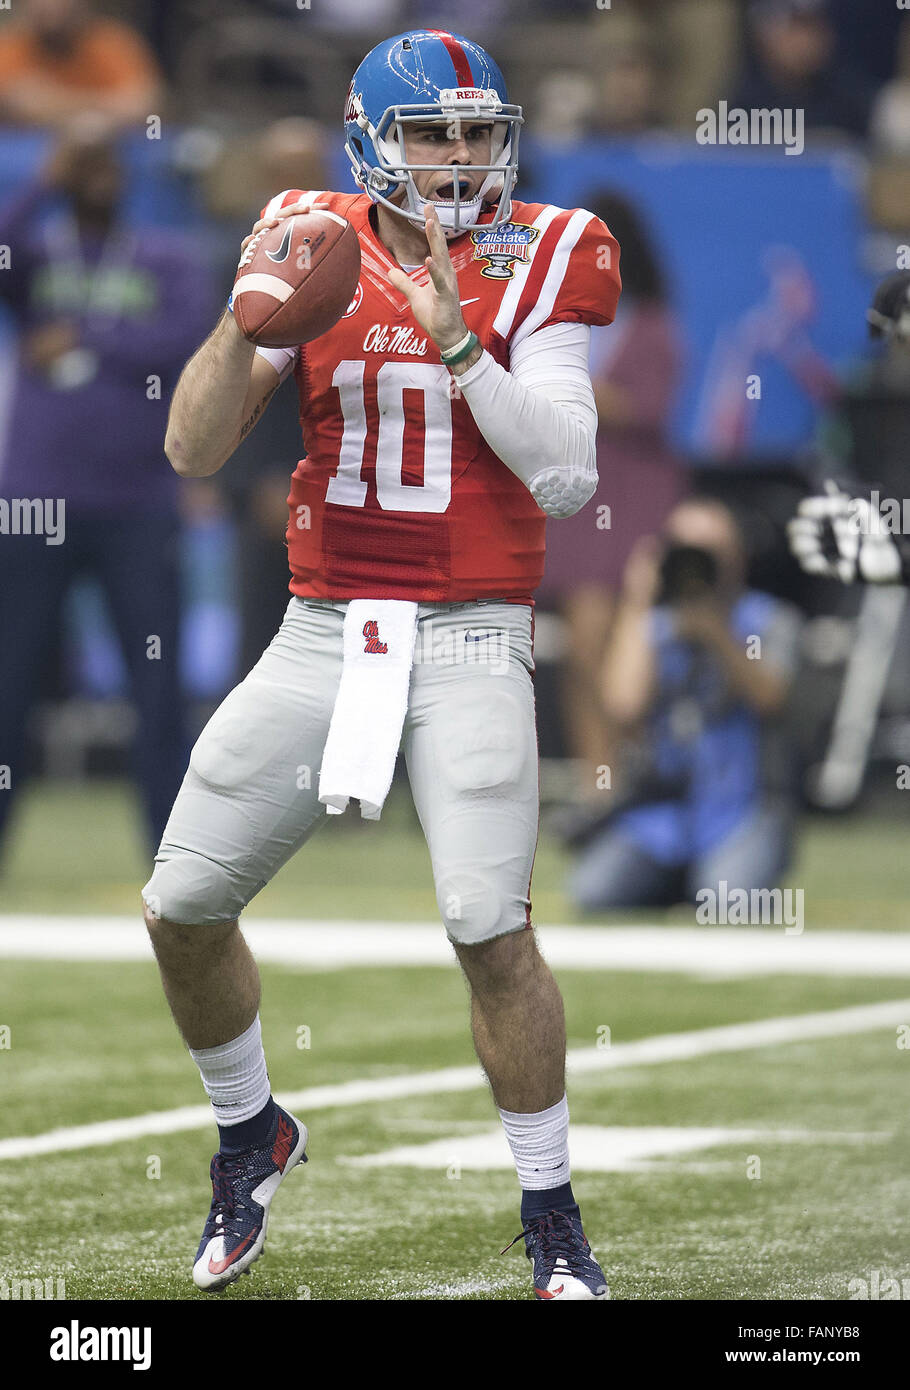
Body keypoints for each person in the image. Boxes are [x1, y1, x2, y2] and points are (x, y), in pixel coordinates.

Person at [141, 28, 621, 1300]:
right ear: (371, 142)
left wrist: (463, 348)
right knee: (180, 904)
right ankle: (252, 1132)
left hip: (469, 630)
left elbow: (569, 476)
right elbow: (192, 451)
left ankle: (553, 1213)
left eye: (476, 130)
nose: (459, 157)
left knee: (486, 928)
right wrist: (244, 325)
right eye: (429, 133)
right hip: (326, 622)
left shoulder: (550, 248)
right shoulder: (312, 229)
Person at [0, 127, 212, 857]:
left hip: (138, 504)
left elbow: (190, 337)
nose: (95, 175)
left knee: (156, 689)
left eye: (102, 162)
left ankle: (174, 853)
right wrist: (41, 181)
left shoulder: (164, 257)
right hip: (33, 502)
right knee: (9, 685)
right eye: (80, 165)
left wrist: (86, 337)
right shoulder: (34, 256)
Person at [570, 499, 800, 912]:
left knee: (728, 902)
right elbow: (622, 706)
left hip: (740, 810)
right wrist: (638, 602)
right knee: (593, 893)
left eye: (712, 550)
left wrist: (715, 631)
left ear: (737, 557)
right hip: (662, 813)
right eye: (684, 549)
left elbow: (770, 697)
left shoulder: (768, 618)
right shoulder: (652, 627)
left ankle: (704, 878)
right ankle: (676, 880)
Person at [539, 192, 685, 796]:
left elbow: (647, 408)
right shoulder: (559, 317)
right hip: (576, 497)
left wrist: (571, 387)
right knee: (581, 640)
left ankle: (630, 774)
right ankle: (600, 783)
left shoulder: (653, 327)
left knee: (614, 637)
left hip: (634, 499)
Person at [0, 0, 161, 131]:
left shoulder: (112, 44)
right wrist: (105, 107)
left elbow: (145, 105)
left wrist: (52, 101)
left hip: (107, 154)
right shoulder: (8, 47)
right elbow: (14, 104)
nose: (51, 6)